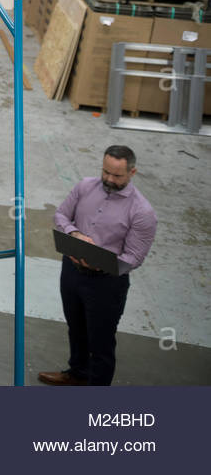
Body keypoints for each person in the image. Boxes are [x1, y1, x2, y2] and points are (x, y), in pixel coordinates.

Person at [38, 145, 157, 387]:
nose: (109, 179)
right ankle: (77, 373)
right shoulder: (85, 186)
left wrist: (101, 264)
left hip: (107, 283)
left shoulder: (142, 212)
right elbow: (61, 215)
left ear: (132, 173)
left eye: (117, 176)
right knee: (76, 327)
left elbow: (134, 257)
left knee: (101, 341)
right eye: (106, 172)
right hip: (71, 271)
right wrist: (76, 234)